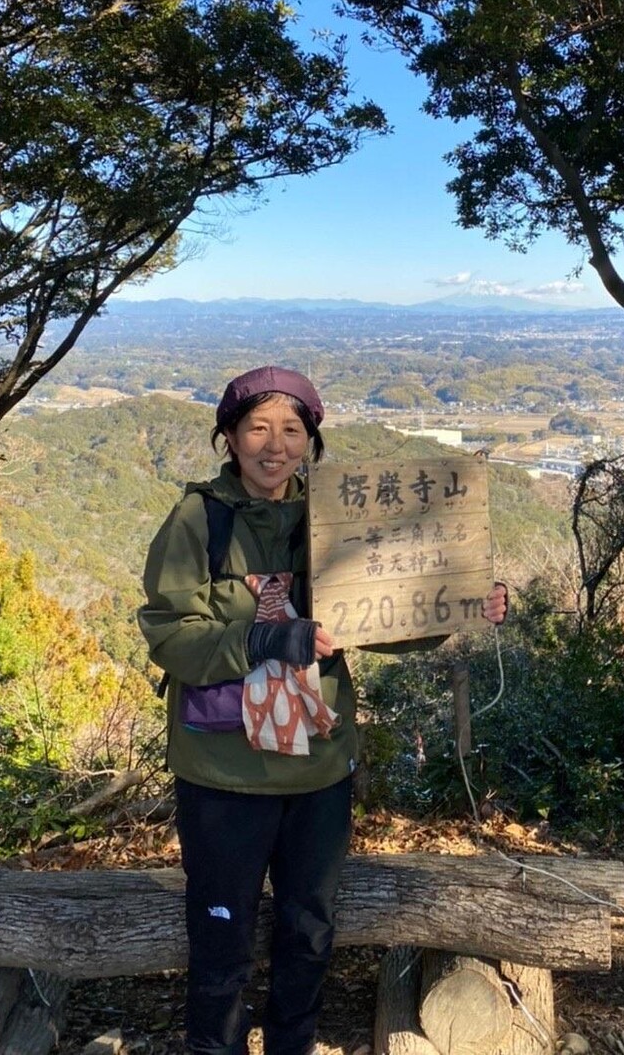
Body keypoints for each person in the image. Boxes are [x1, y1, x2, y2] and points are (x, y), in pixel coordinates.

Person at [139, 364, 507, 1055]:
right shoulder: (198, 519)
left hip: (318, 767)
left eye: (291, 430)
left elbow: (389, 606)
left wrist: (464, 607)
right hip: (224, 770)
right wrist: (261, 639)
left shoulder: (340, 513)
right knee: (220, 930)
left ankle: (291, 1045)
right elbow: (168, 632)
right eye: (256, 429)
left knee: (309, 926)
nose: (273, 446)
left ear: (310, 441)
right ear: (228, 437)